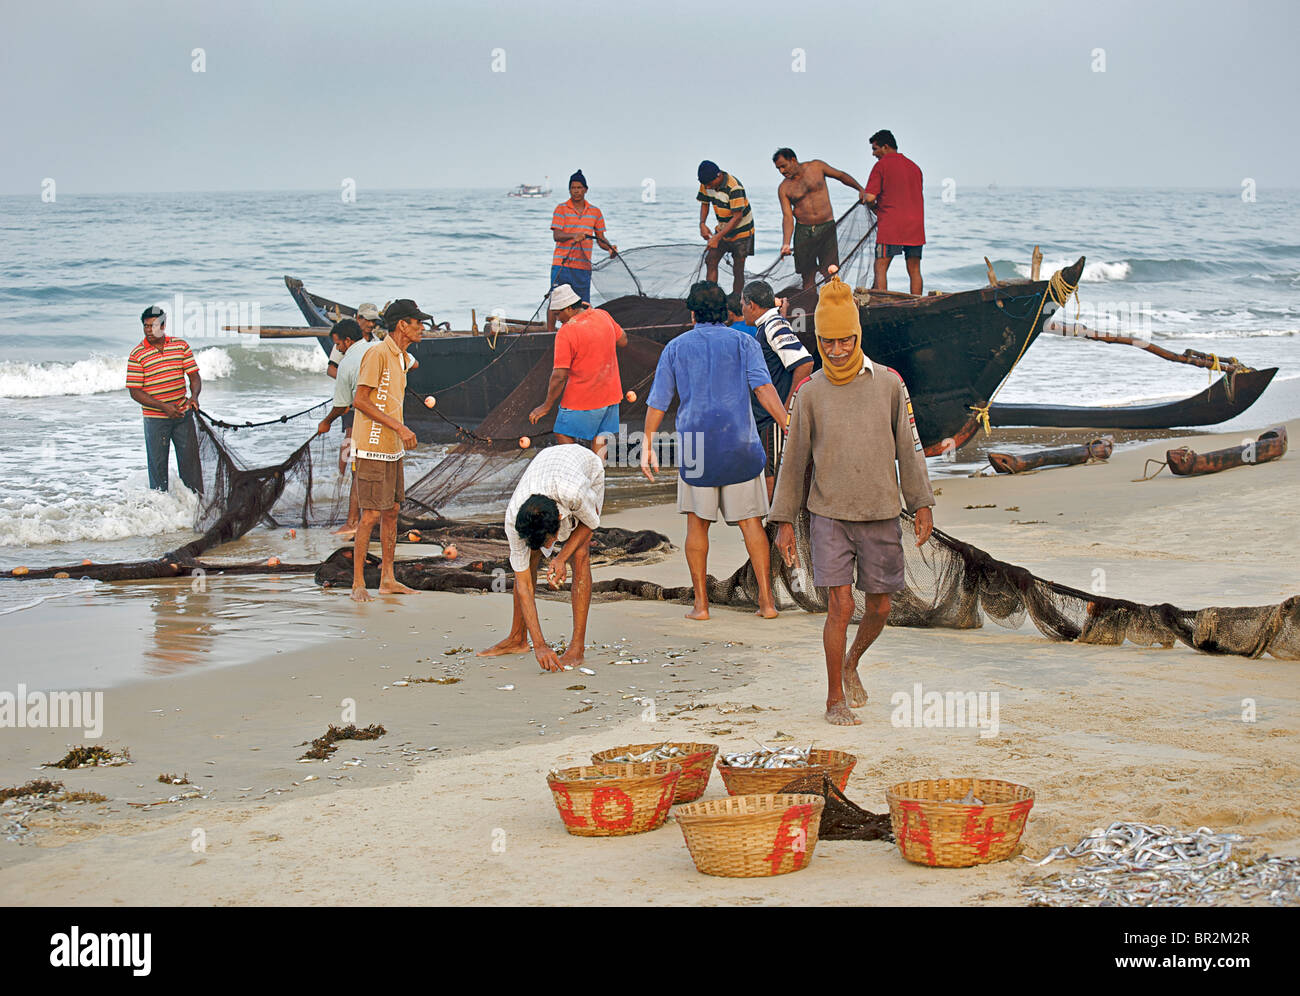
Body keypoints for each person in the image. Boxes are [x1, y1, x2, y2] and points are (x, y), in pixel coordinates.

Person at [768, 275, 935, 726]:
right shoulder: (809, 393)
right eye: (828, 341)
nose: (837, 350)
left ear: (857, 335)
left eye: (845, 340)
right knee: (839, 605)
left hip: (881, 511)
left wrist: (922, 503)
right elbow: (794, 461)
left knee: (880, 605)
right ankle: (833, 698)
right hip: (827, 515)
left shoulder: (889, 384)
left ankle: (853, 660)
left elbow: (910, 447)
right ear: (818, 340)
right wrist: (784, 520)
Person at [640, 281, 787, 621]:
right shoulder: (744, 342)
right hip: (741, 447)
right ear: (726, 311)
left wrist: (648, 442)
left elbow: (659, 402)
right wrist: (787, 422)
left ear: (692, 312)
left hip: (698, 450)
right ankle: (766, 603)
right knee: (751, 525)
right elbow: (763, 388)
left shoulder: (676, 348)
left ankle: (701, 606)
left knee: (697, 527)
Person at [478, 444, 606, 672]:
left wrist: (561, 558)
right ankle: (518, 638)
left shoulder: (575, 494)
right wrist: (540, 645)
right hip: (546, 464)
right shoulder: (513, 519)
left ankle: (577, 647)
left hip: (585, 468)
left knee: (580, 554)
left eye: (550, 540)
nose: (550, 547)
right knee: (529, 559)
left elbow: (591, 523)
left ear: (558, 518)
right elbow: (524, 584)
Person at [349, 299, 428, 603]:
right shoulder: (377, 354)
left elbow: (411, 363)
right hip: (371, 445)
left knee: (392, 510)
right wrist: (400, 427)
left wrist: (407, 353)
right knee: (370, 514)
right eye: (416, 323)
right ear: (401, 325)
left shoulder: (399, 356)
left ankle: (388, 579)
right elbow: (361, 400)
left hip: (392, 448)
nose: (422, 327)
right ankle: (358, 583)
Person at [740, 280, 814, 500]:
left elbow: (804, 362)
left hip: (773, 420)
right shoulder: (771, 323)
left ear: (752, 305)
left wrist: (787, 406)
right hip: (767, 419)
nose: (741, 310)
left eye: (743, 304)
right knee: (768, 474)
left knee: (772, 477)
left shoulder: (774, 325)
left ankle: (773, 529)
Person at [528, 284, 627, 448]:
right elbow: (623, 340)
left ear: (568, 308)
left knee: (562, 432)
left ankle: (577, 469)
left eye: (557, 314)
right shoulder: (603, 315)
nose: (557, 319)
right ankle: (597, 472)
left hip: (584, 398)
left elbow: (559, 376)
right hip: (611, 394)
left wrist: (546, 406)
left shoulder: (567, 332)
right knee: (600, 435)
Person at [125, 305, 203, 494]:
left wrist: (193, 397)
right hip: (155, 419)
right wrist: (163, 407)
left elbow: (194, 377)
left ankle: (195, 507)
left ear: (164, 325)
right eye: (146, 326)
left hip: (183, 415)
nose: (150, 330)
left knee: (190, 465)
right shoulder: (137, 355)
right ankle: (162, 513)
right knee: (158, 468)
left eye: (154, 326)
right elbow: (135, 392)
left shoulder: (180, 346)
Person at [773, 148, 863, 289]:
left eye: (783, 166)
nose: (782, 171)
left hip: (826, 227)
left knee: (831, 271)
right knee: (807, 275)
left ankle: (833, 304)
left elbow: (841, 176)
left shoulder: (816, 167)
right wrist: (786, 243)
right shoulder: (784, 188)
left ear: (793, 160)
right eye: (778, 168)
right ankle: (812, 306)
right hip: (803, 230)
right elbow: (787, 217)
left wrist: (860, 189)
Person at [316, 319, 371, 538]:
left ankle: (352, 522)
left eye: (339, 344)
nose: (338, 349)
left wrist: (326, 422)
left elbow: (341, 405)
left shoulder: (347, 363)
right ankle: (378, 517)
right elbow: (412, 363)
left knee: (358, 471)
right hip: (390, 420)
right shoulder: (377, 348)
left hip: (364, 422)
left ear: (348, 341)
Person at [548, 170, 617, 332]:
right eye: (573, 188)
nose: (576, 191)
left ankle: (580, 333)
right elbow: (557, 235)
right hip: (562, 264)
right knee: (555, 299)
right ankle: (550, 333)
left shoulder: (595, 212)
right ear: (569, 190)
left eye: (579, 187)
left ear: (586, 189)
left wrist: (610, 249)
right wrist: (574, 236)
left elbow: (601, 239)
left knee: (581, 304)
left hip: (583, 267)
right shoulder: (561, 209)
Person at [860, 130, 925, 294]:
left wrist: (865, 198)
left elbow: (870, 197)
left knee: (880, 266)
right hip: (915, 225)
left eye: (875, 149)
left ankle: (882, 301)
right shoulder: (914, 167)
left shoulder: (881, 165)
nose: (874, 154)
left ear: (886, 146)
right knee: (915, 269)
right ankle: (916, 301)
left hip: (892, 225)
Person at [697, 160, 754, 296]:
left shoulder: (734, 187)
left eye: (710, 184)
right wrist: (702, 224)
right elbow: (705, 203)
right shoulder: (706, 184)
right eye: (705, 185)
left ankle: (736, 301)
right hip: (723, 229)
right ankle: (712, 297)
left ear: (718, 176)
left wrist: (717, 237)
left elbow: (737, 217)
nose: (708, 187)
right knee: (711, 260)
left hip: (742, 232)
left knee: (738, 269)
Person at [327, 304, 381, 380]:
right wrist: (350, 382)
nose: (371, 324)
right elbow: (331, 370)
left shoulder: (376, 341)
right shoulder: (346, 340)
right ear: (358, 318)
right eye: (368, 320)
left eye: (374, 321)